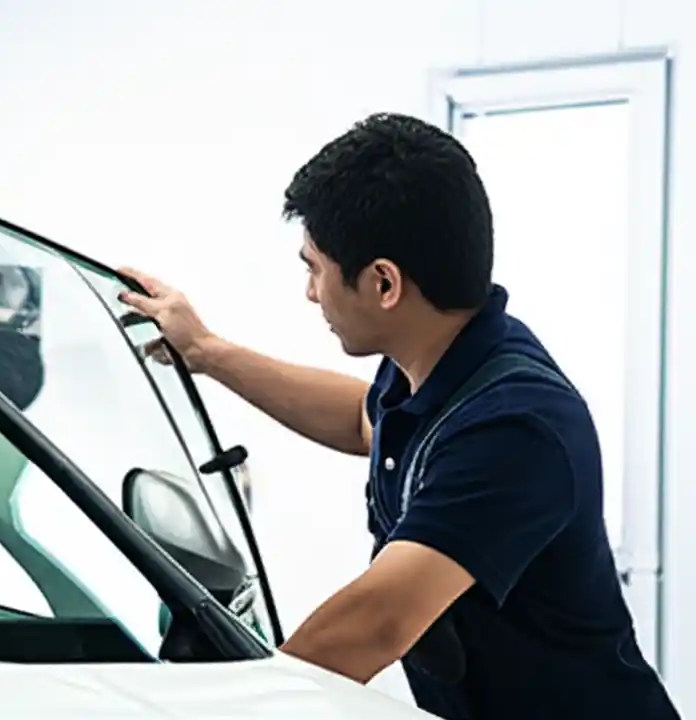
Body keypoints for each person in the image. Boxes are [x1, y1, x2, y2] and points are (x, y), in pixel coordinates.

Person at [118, 113, 679, 719]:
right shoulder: (440, 363)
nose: (310, 292)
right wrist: (208, 354)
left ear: (384, 283)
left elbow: (377, 622)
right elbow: (365, 421)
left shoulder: (517, 426)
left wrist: (229, 709)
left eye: (314, 267)